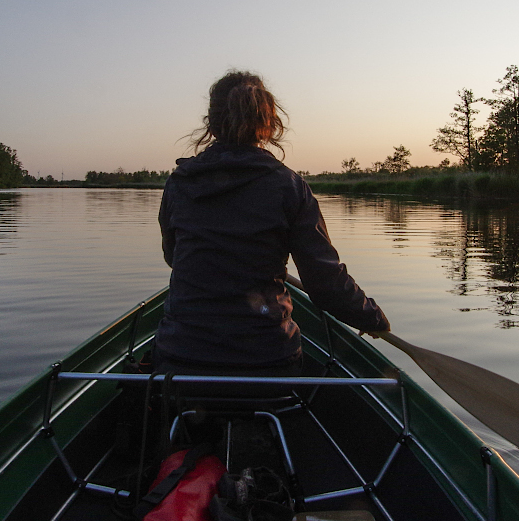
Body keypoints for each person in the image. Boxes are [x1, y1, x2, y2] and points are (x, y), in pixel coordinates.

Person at [155, 71, 389, 378]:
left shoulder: (179, 183)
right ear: (268, 123)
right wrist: (372, 317)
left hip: (180, 359)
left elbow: (173, 258)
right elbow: (325, 284)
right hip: (268, 361)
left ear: (211, 123)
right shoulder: (289, 186)